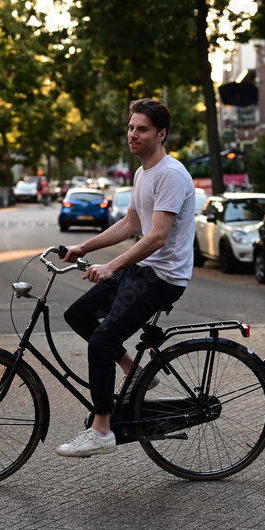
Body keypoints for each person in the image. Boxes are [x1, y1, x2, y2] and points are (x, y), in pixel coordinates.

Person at [55, 98, 197, 458]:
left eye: (142, 129)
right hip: (143, 271)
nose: (133, 134)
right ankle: (133, 370)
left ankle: (101, 430)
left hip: (163, 278)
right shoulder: (142, 172)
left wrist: (112, 266)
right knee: (78, 315)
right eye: (131, 127)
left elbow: (158, 235)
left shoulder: (170, 174)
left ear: (160, 134)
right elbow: (131, 225)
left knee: (101, 343)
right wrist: (83, 247)